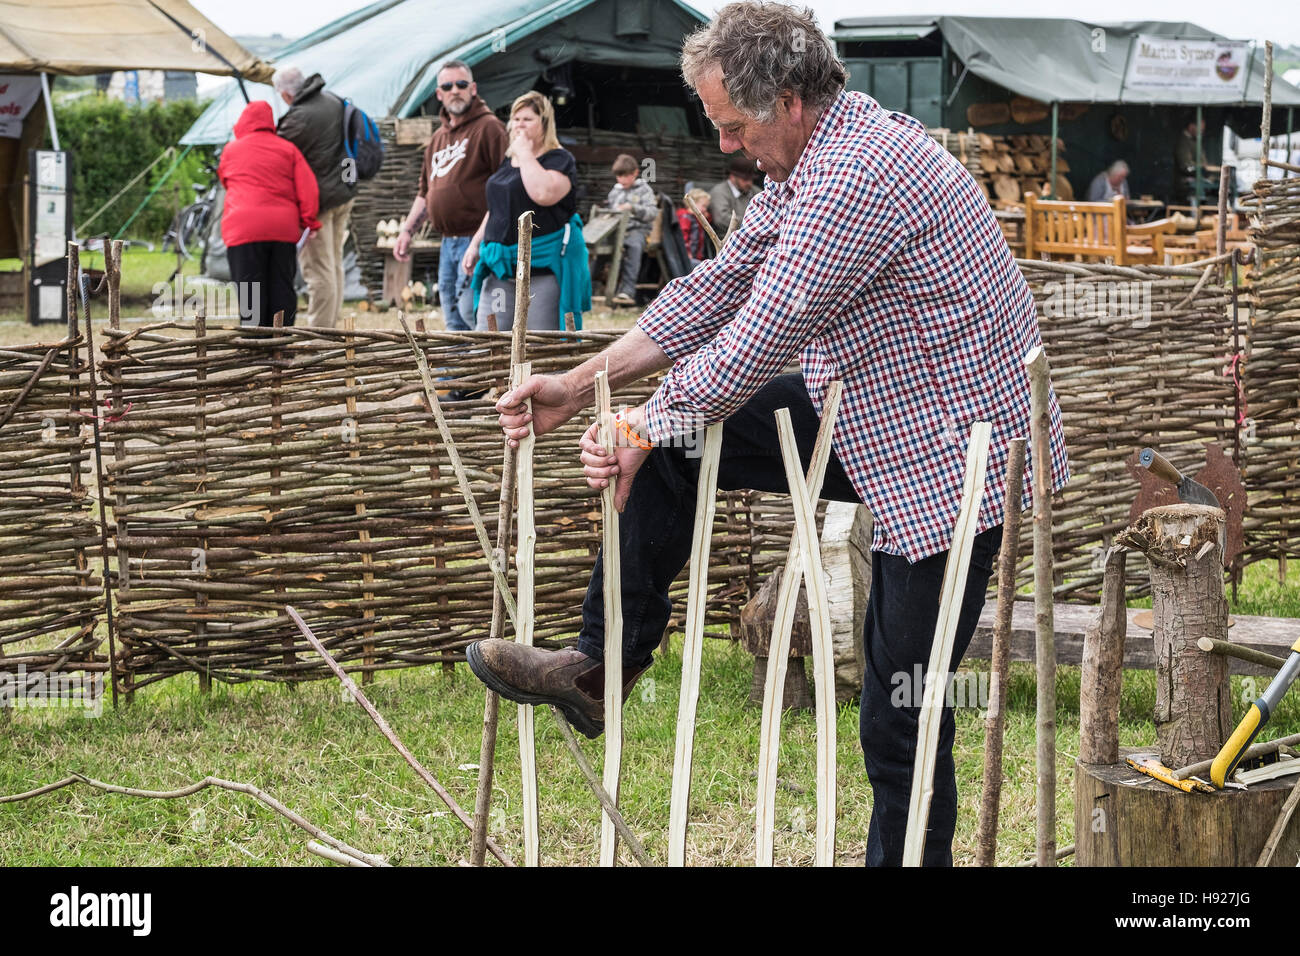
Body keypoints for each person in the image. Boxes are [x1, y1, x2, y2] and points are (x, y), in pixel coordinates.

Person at [467, 1, 1068, 867]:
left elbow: (763, 331)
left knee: (902, 709)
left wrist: (645, 422)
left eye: (731, 124)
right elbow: (719, 288)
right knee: (675, 445)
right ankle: (601, 669)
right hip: (868, 403)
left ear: (787, 99)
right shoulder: (808, 163)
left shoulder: (859, 174)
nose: (722, 147)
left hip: (952, 457)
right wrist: (582, 383)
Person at [463, 91, 591, 332]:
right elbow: (496, 210)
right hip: (501, 268)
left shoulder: (559, 159)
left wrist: (524, 152)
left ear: (544, 124)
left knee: (538, 340)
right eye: (516, 118)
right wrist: (474, 245)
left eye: (527, 119)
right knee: (491, 340)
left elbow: (542, 194)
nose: (519, 124)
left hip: (541, 271)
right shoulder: (508, 162)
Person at [394, 60, 507, 332]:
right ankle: (452, 376)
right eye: (447, 86)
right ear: (439, 94)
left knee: (474, 315)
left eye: (461, 84)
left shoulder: (489, 128)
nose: (455, 90)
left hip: (478, 240)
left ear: (473, 88)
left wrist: (481, 240)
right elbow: (425, 192)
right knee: (453, 320)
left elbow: (506, 189)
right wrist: (407, 230)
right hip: (448, 243)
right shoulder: (437, 139)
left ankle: (487, 373)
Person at [217, 100, 320, 327]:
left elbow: (224, 179)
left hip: (243, 228)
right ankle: (280, 344)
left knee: (250, 290)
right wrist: (308, 221)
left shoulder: (231, 150)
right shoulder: (288, 149)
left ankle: (255, 344)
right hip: (282, 229)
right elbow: (308, 188)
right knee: (281, 286)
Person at [274, 66, 355, 328]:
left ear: (286, 94)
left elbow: (278, 153)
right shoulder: (332, 99)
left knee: (318, 269)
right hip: (343, 194)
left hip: (318, 202)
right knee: (334, 264)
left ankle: (320, 333)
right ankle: (331, 326)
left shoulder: (299, 118)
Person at [605, 154, 659, 306]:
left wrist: (633, 208)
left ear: (635, 173)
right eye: (619, 176)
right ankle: (591, 287)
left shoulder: (644, 190)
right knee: (600, 248)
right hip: (617, 231)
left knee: (633, 247)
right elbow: (610, 209)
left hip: (638, 229)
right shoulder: (615, 192)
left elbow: (652, 213)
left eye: (625, 176)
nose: (622, 180)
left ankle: (627, 291)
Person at [708, 153, 759, 238]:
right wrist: (755, 223)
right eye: (745, 179)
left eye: (751, 179)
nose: (749, 183)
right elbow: (721, 219)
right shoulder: (719, 192)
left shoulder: (755, 191)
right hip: (728, 240)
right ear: (732, 177)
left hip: (754, 237)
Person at [1174, 115, 1206, 204]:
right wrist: (1201, 167)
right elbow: (1185, 165)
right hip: (1185, 186)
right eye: (1200, 129)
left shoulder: (1194, 141)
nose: (1201, 132)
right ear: (1191, 126)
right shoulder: (1183, 142)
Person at [676, 187, 713, 266]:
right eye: (704, 206)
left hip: (696, 256)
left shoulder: (696, 218)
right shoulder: (685, 217)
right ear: (693, 203)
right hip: (688, 257)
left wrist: (707, 215)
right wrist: (687, 253)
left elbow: (707, 223)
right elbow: (683, 237)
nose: (705, 209)